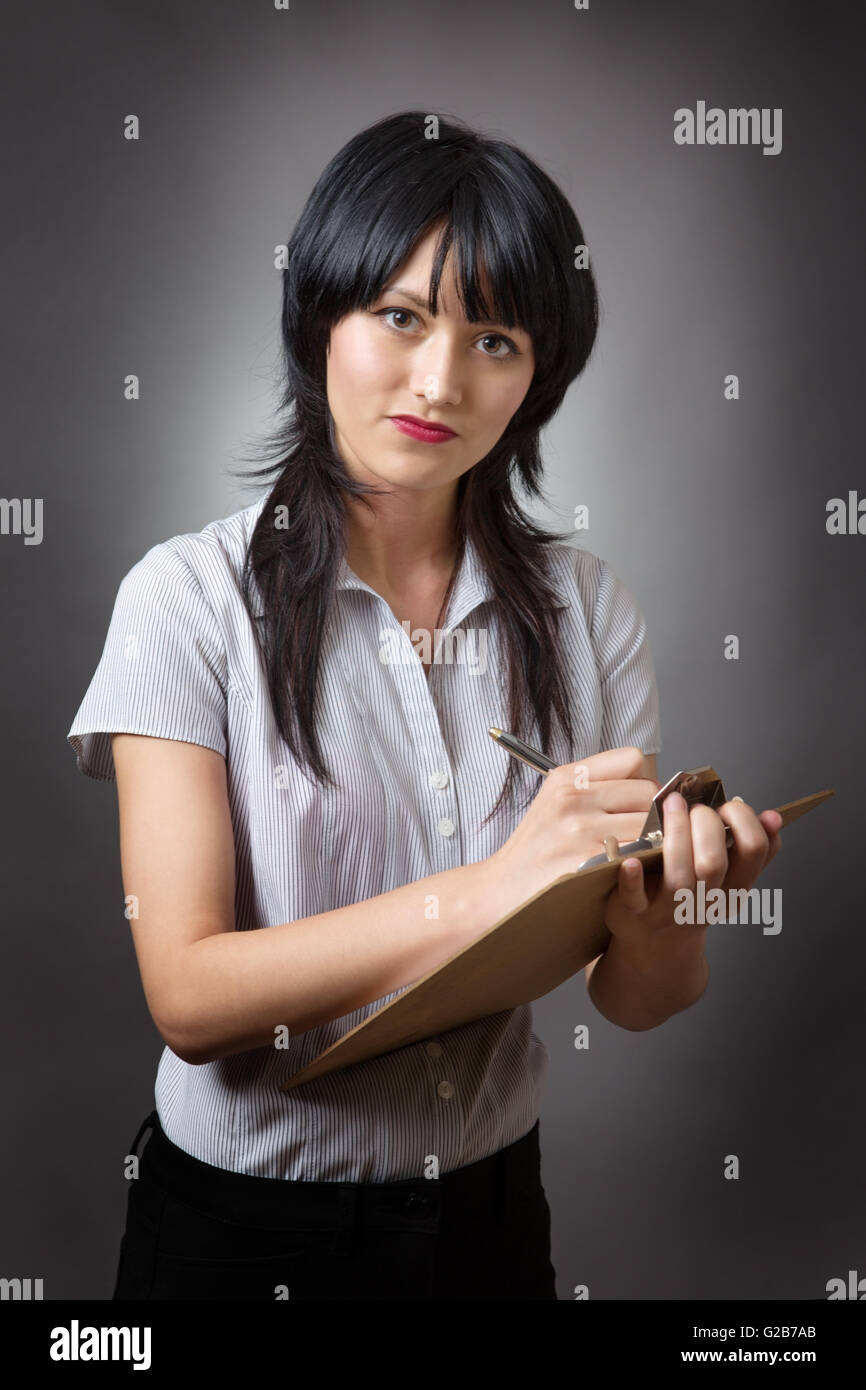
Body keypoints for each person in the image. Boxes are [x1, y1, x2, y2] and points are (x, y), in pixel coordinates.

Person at [66, 110, 783, 1301]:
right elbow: (189, 997)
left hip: (493, 1218)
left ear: (537, 374)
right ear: (319, 320)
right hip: (244, 1241)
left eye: (494, 337)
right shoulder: (184, 599)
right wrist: (493, 888)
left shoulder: (584, 605)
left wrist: (674, 906)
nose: (440, 380)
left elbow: (636, 995)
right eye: (399, 316)